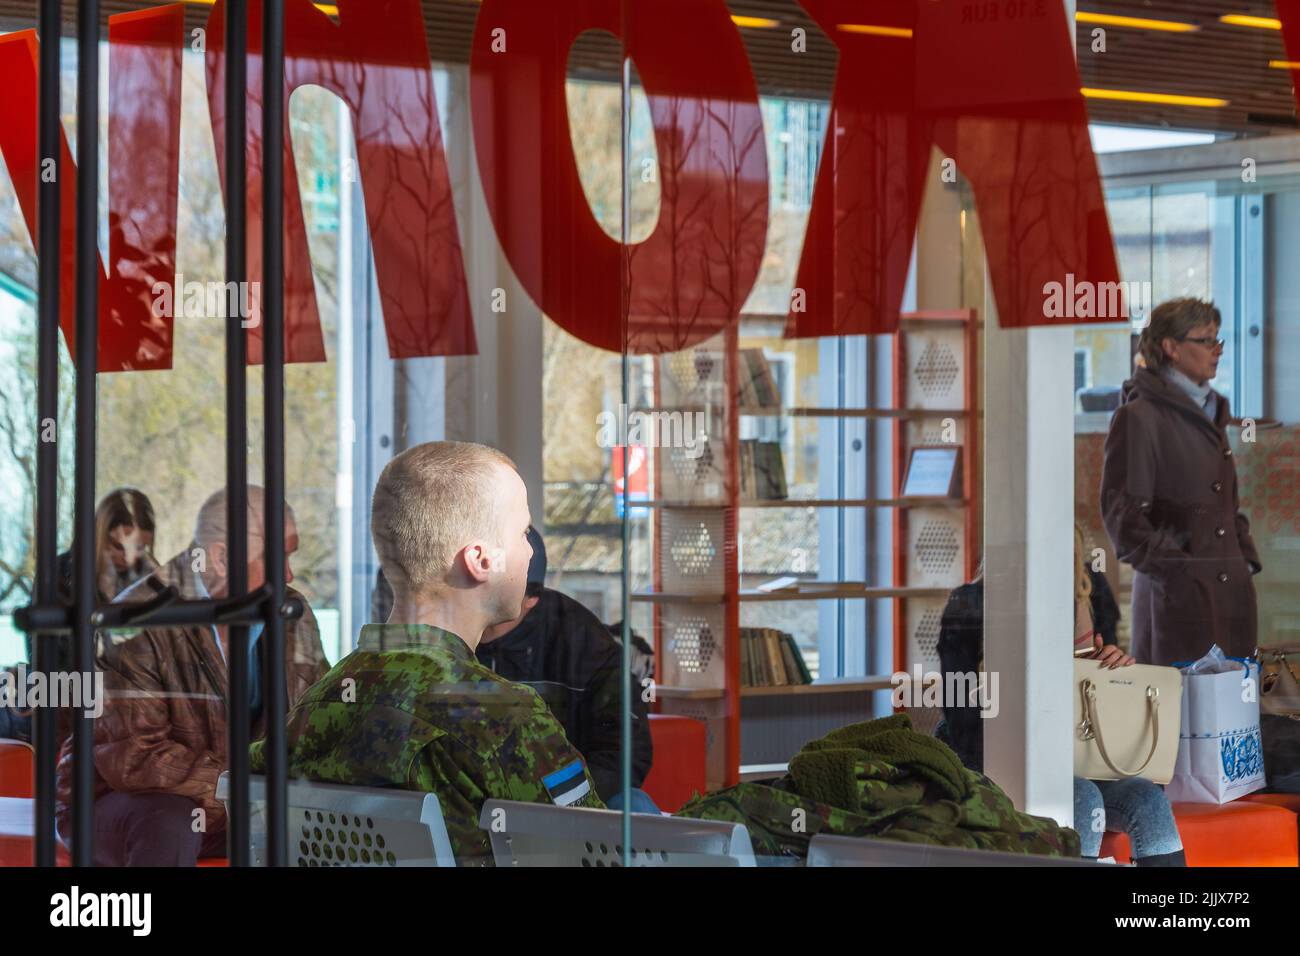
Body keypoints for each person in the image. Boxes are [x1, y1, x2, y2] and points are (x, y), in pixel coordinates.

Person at [255, 441, 605, 864]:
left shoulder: (316, 704)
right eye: (522, 533)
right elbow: (592, 855)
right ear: (479, 560)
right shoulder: (503, 717)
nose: (531, 550)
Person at [54, 486, 327, 866]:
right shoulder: (134, 620)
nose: (289, 573)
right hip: (120, 806)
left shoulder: (293, 613)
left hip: (241, 806)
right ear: (220, 558)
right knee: (169, 819)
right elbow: (138, 760)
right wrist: (254, 793)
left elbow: (319, 721)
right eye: (277, 556)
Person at [934, 527, 1184, 865]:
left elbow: (1104, 693)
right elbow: (960, 710)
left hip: (1081, 755)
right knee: (1082, 797)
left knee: (1148, 801)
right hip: (998, 758)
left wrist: (1112, 664)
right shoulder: (970, 604)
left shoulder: (1091, 593)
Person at [1100, 297, 1260, 666]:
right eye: (1206, 341)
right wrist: (1181, 575)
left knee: (1231, 718)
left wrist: (1243, 560)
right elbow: (1123, 518)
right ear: (1171, 347)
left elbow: (1226, 506)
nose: (1217, 350)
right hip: (1176, 606)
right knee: (1178, 719)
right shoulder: (1139, 418)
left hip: (1230, 600)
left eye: (1219, 340)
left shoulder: (1211, 411)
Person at [475, 526, 655, 809]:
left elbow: (626, 750)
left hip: (565, 804)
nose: (479, 606)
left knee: (634, 806)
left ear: (531, 599)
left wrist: (564, 805)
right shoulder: (448, 633)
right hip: (471, 805)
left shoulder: (584, 644)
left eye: (496, 596)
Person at [5, 489, 159, 746]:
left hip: (121, 701)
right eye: (118, 546)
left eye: (139, 548)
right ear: (97, 539)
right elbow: (48, 665)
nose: (128, 557)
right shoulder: (57, 575)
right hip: (65, 696)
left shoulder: (152, 582)